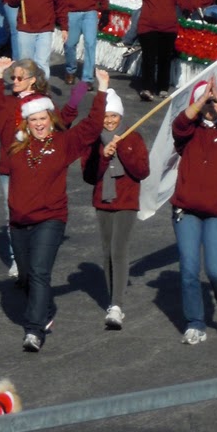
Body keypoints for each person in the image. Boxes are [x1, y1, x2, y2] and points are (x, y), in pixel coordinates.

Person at [0, 55, 86, 278]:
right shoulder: (6, 103)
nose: (14, 80)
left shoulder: (43, 103)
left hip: (39, 165)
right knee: (13, 213)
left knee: (40, 212)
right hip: (9, 167)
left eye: (18, 77)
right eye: (11, 77)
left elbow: (60, 124)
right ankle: (18, 259)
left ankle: (38, 255)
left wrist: (72, 105)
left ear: (32, 80)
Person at [2, 68, 108, 351]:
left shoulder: (63, 143)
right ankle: (45, 308)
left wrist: (103, 91)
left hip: (50, 218)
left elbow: (92, 126)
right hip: (19, 221)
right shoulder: (15, 148)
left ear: (51, 119)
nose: (39, 124)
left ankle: (34, 330)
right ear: (26, 122)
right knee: (25, 275)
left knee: (39, 271)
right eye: (33, 120)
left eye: (43, 119)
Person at [81, 87, 150, 330]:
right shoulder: (92, 142)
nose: (109, 121)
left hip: (127, 202)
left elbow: (142, 171)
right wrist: (103, 155)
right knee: (107, 251)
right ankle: (113, 299)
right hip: (103, 201)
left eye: (114, 116)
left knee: (119, 249)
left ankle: (117, 305)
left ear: (121, 117)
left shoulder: (133, 137)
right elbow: (89, 176)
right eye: (106, 117)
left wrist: (121, 149)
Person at [170, 77, 217, 345]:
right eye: (206, 102)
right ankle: (195, 322)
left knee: (216, 270)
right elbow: (179, 124)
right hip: (186, 210)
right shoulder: (188, 132)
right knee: (189, 268)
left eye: (213, 101)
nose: (210, 106)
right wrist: (201, 98)